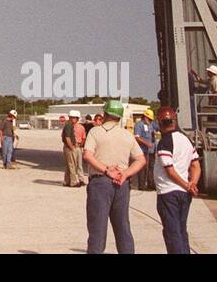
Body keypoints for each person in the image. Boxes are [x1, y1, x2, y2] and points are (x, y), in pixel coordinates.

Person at [83, 99, 146, 254]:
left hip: (100, 183)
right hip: (122, 184)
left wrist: (106, 170)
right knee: (122, 227)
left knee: (97, 229)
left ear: (105, 114)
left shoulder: (95, 132)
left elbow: (87, 155)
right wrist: (125, 173)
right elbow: (141, 159)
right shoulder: (127, 135)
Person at [154, 106, 201, 254]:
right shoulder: (186, 140)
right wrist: (192, 183)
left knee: (172, 233)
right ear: (175, 121)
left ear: (160, 123)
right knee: (181, 231)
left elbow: (170, 171)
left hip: (168, 193)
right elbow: (196, 166)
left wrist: (187, 185)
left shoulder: (164, 142)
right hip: (184, 195)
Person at [132, 108, 156, 191]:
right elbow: (137, 138)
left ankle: (150, 183)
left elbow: (156, 129)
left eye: (151, 119)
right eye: (149, 119)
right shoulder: (139, 125)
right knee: (143, 168)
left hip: (151, 151)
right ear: (145, 117)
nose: (150, 121)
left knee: (151, 167)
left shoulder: (151, 125)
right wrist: (146, 143)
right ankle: (142, 185)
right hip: (143, 151)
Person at [61, 110, 84, 186]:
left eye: (74, 118)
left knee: (75, 165)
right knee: (71, 165)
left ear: (77, 119)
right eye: (71, 118)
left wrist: (81, 146)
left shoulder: (80, 127)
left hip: (77, 146)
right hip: (70, 147)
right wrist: (72, 147)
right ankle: (73, 182)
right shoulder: (68, 126)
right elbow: (66, 138)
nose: (72, 119)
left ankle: (67, 181)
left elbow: (83, 138)